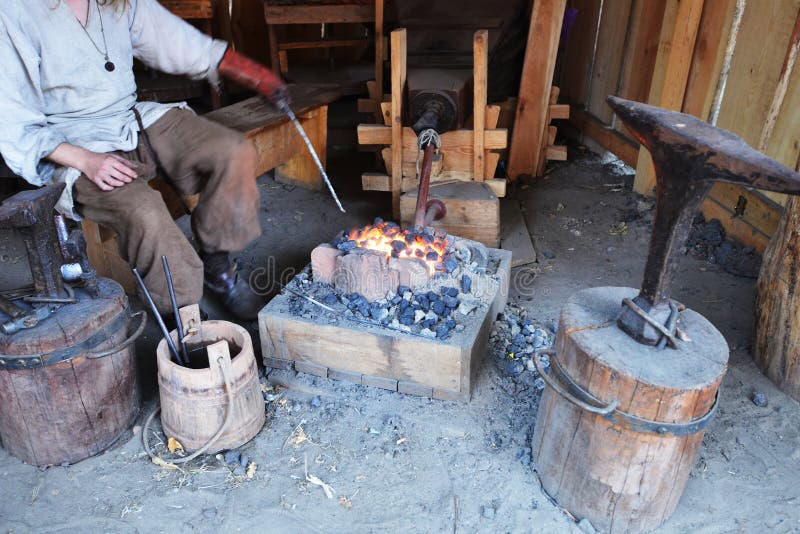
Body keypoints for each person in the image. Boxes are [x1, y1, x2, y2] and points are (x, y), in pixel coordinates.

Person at [0, 0, 289, 320]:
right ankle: (183, 315)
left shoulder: (118, 2)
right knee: (145, 210)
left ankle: (218, 267)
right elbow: (12, 122)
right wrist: (86, 160)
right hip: (70, 144)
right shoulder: (14, 11)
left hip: (130, 119)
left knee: (233, 151)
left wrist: (252, 72)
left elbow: (175, 40)